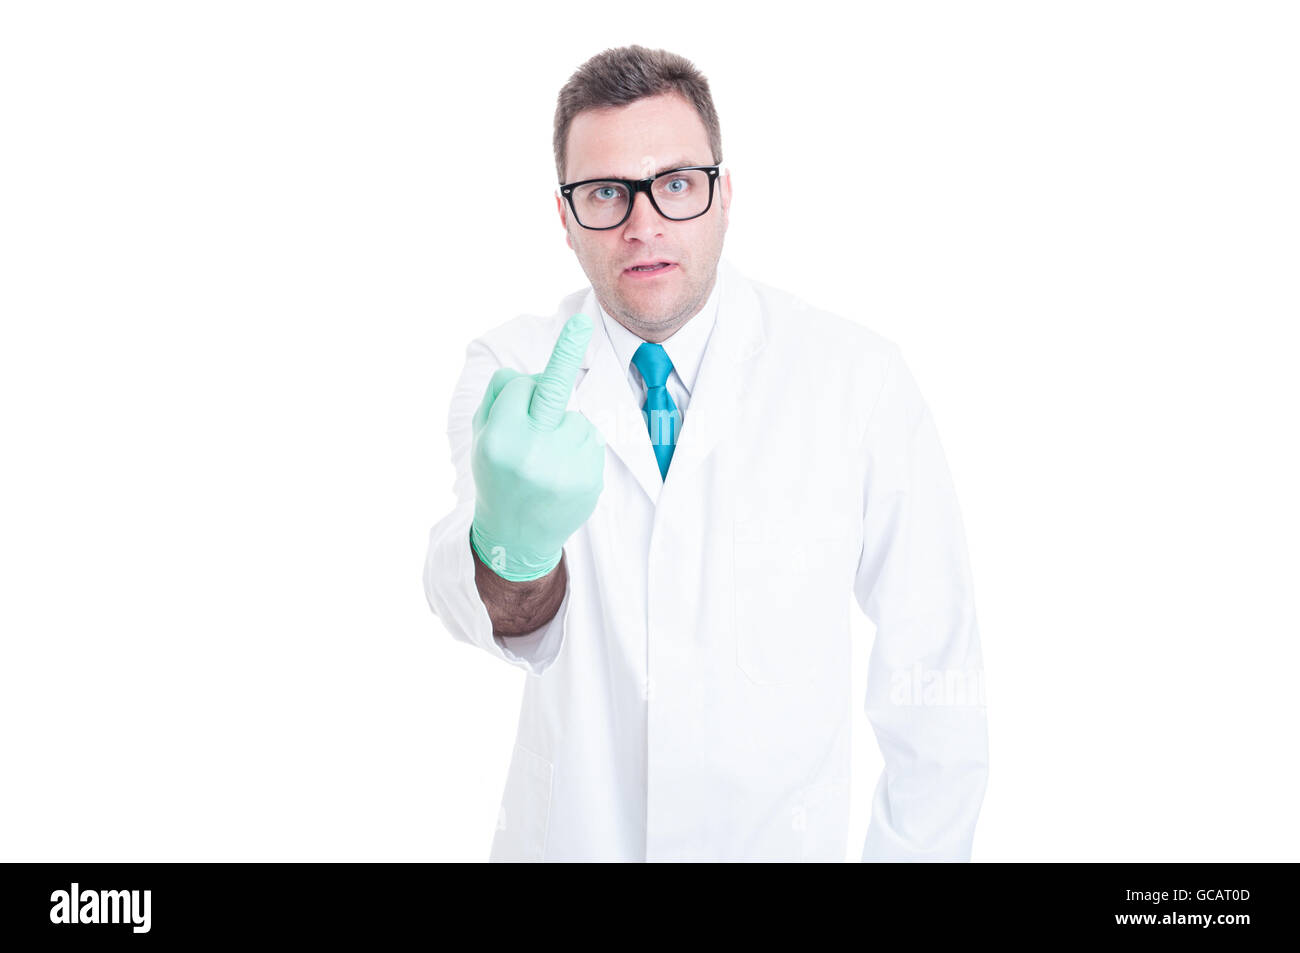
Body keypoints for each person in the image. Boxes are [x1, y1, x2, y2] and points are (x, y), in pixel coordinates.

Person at [423, 44, 989, 862]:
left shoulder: (857, 380)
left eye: (677, 184)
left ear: (725, 197)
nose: (643, 223)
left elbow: (934, 666)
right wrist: (516, 541)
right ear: (565, 216)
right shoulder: (513, 370)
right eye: (607, 192)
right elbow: (481, 608)